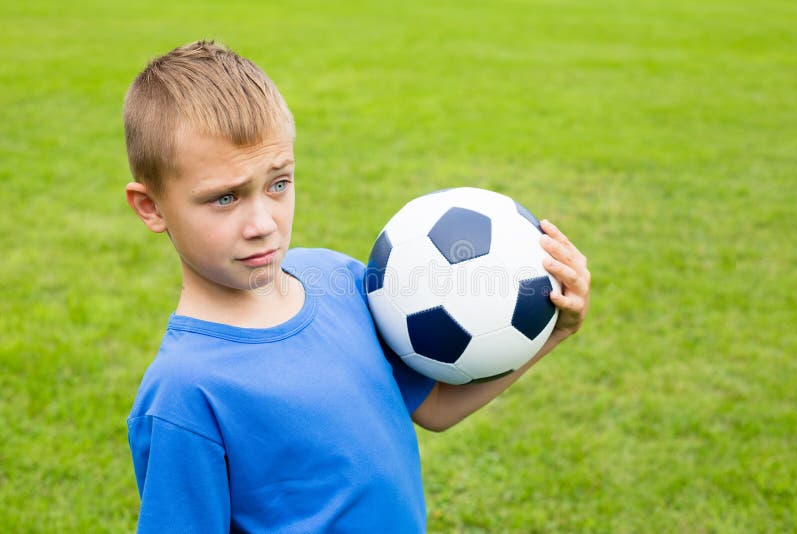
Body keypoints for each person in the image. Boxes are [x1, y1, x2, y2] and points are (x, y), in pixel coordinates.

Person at [124, 40, 590, 533]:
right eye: (224, 198)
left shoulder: (340, 282)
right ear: (151, 207)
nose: (262, 223)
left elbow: (432, 409)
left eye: (278, 184)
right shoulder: (183, 393)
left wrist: (555, 330)